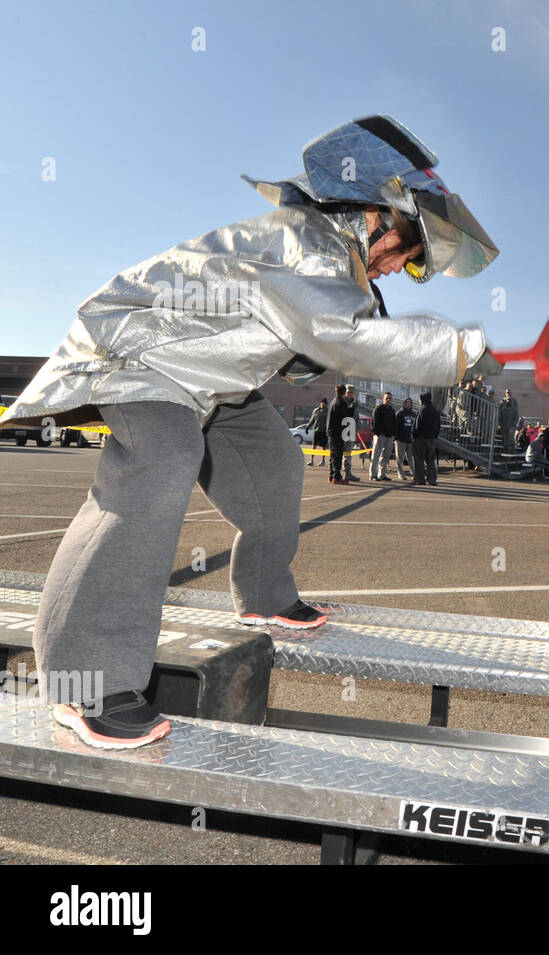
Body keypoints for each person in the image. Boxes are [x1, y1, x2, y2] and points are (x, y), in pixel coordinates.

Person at [0, 115, 500, 748]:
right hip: (141, 353)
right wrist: (462, 351)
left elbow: (307, 339)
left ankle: (264, 595)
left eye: (417, 266)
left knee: (274, 465)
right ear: (374, 214)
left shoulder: (331, 260)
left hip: (211, 380)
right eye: (406, 249)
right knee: (161, 460)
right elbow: (340, 334)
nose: (402, 267)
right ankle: (83, 681)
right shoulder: (307, 240)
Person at [413, 391, 441, 485]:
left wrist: (414, 436)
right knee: (431, 460)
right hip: (432, 439)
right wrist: (435, 436)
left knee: (419, 459)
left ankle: (420, 479)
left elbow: (417, 426)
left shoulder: (421, 410)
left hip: (421, 439)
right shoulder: (435, 411)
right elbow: (438, 426)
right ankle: (432, 480)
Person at [369, 391, 398, 481]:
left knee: (385, 456)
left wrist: (393, 435)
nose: (388, 400)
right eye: (387, 398)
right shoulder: (378, 409)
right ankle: (373, 475)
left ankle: (382, 474)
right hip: (380, 436)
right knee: (376, 455)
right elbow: (373, 423)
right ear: (383, 399)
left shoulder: (392, 411)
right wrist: (377, 433)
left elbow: (394, 423)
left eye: (390, 398)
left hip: (389, 437)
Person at [327, 383, 350, 485]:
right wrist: (351, 407)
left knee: (332, 454)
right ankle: (337, 476)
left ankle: (331, 475)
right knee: (338, 454)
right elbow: (345, 418)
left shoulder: (332, 401)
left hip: (331, 431)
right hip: (338, 432)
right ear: (344, 392)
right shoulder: (342, 402)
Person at [395, 395, 417, 480]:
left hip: (410, 440)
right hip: (400, 440)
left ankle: (414, 474)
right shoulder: (399, 413)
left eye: (410, 403)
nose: (408, 404)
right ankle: (401, 474)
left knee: (411, 458)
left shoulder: (413, 414)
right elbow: (396, 426)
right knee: (400, 458)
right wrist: (396, 438)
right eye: (407, 402)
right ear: (404, 403)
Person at [342, 384, 359, 482]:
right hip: (344, 431)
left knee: (348, 453)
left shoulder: (354, 402)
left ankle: (347, 472)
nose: (350, 394)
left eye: (352, 392)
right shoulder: (343, 402)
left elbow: (356, 417)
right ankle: (338, 473)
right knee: (342, 453)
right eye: (349, 392)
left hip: (352, 431)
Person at [306, 398, 328, 466]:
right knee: (314, 446)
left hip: (324, 431)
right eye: (322, 402)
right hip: (316, 430)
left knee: (323, 446)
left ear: (326, 404)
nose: (322, 404)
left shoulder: (328, 411)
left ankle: (323, 461)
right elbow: (312, 420)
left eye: (324, 403)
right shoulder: (316, 410)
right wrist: (307, 427)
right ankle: (311, 460)